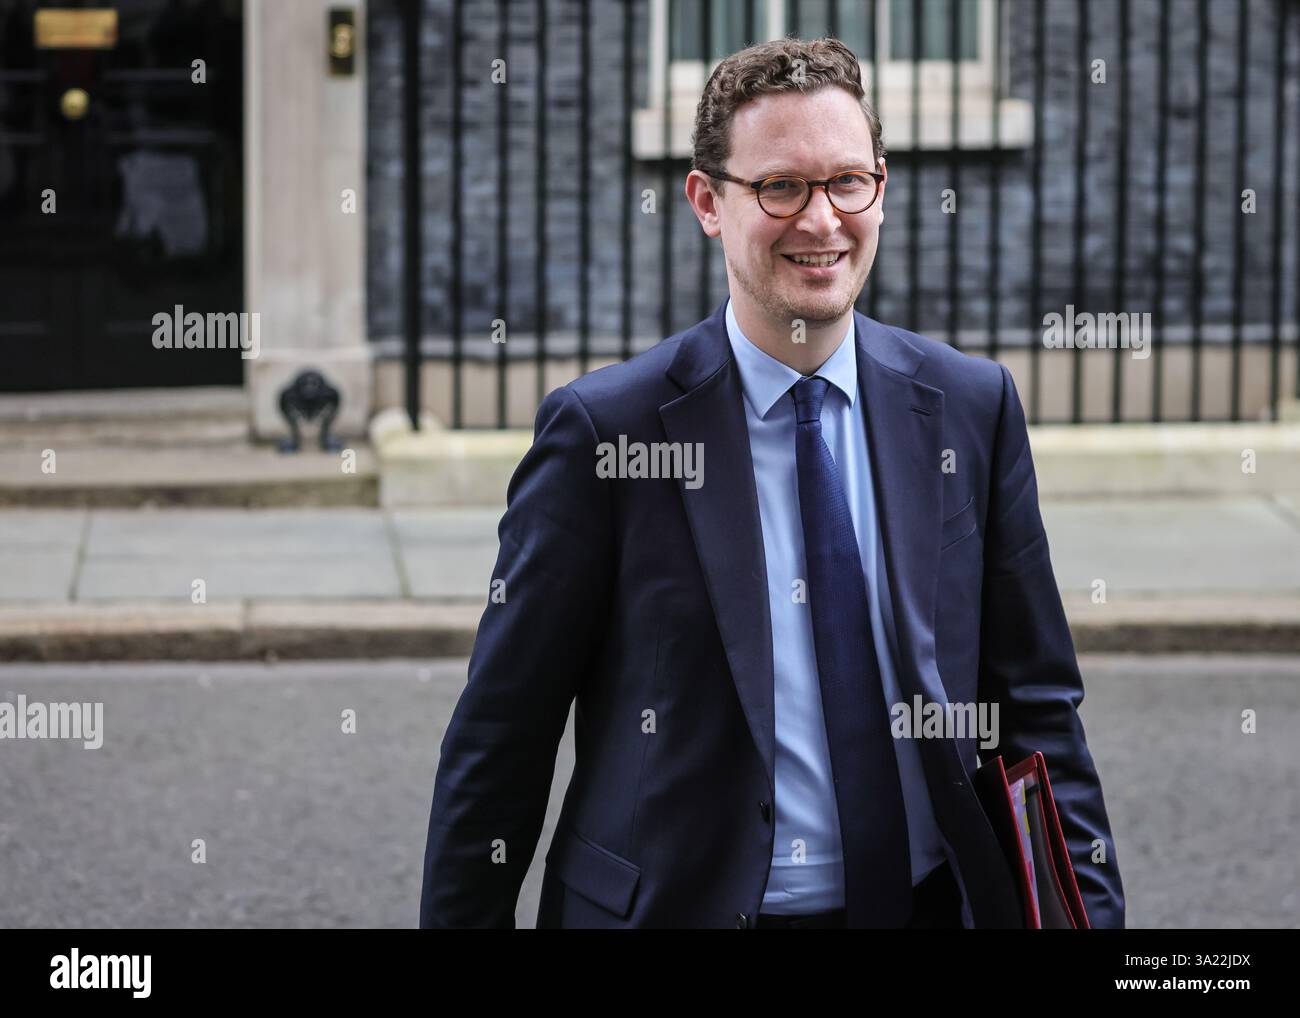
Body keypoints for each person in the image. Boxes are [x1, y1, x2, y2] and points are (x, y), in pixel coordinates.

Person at [419, 36, 1124, 929]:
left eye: (846, 182)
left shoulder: (968, 407)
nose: (822, 220)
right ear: (709, 201)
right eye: (781, 187)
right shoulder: (606, 433)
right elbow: (500, 741)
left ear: (881, 187)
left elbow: (1038, 712)